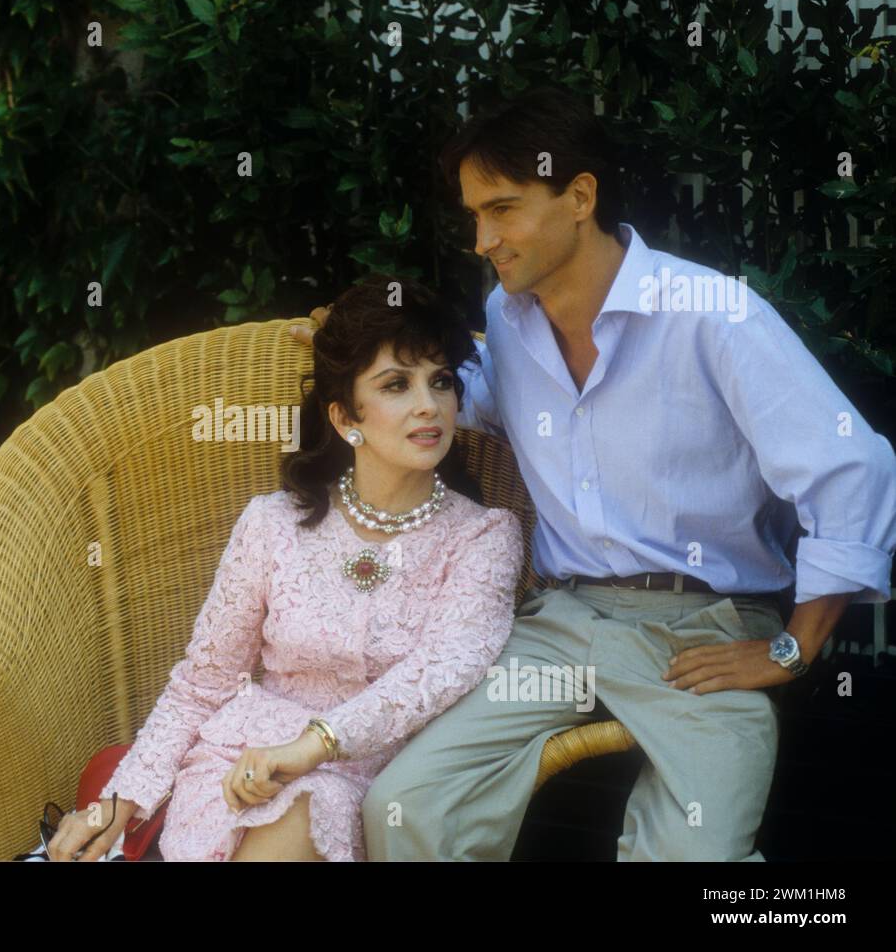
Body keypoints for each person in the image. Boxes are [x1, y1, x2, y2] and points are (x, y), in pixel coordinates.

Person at [293, 87, 896, 861]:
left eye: (502, 209)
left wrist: (794, 647)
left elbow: (854, 464)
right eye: (474, 214)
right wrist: (369, 358)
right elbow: (463, 400)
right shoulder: (510, 324)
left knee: (699, 856)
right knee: (407, 806)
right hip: (558, 628)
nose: (482, 238)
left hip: (705, 632)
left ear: (580, 196)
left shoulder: (711, 315)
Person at [46, 275, 523, 861]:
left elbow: (437, 674)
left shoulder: (484, 537)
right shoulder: (272, 524)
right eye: (397, 384)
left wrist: (311, 748)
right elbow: (202, 684)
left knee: (310, 803)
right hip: (233, 764)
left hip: (378, 783)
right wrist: (121, 800)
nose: (430, 404)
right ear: (347, 417)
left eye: (442, 381)